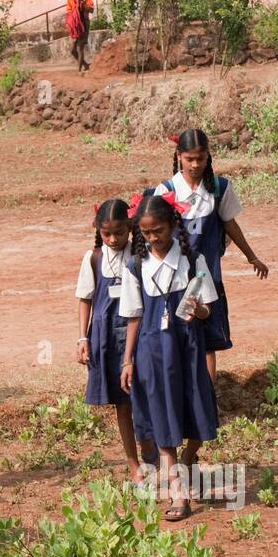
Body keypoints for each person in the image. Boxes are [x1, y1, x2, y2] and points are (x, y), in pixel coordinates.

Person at [119, 193, 219, 522]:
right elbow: (133, 316)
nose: (153, 238)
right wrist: (128, 359)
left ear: (174, 225)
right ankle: (178, 492)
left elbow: (207, 310)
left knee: (197, 415)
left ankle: (189, 458)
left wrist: (198, 309)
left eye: (158, 230)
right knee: (161, 419)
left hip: (187, 348)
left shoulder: (192, 261)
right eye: (146, 233)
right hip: (152, 352)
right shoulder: (135, 264)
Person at [156, 129, 269, 381]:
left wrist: (252, 257)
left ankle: (208, 395)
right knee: (176, 337)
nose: (195, 164)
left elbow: (230, 223)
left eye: (201, 158)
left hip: (208, 278)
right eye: (189, 159)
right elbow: (153, 233)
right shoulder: (166, 191)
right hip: (174, 281)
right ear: (179, 157)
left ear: (208, 157)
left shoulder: (219, 188)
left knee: (208, 341)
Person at [76, 198, 155, 482]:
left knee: (144, 395)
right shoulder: (94, 258)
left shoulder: (142, 256)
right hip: (106, 337)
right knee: (122, 403)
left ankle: (151, 450)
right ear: (98, 229)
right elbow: (85, 299)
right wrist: (82, 338)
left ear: (130, 228)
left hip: (138, 334)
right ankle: (134, 464)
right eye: (106, 233)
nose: (113, 239)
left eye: (119, 232)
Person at [65, 0, 94, 73]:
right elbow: (69, 11)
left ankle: (79, 70)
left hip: (84, 23)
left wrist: (83, 4)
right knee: (72, 50)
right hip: (74, 25)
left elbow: (91, 10)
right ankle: (85, 65)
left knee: (80, 47)